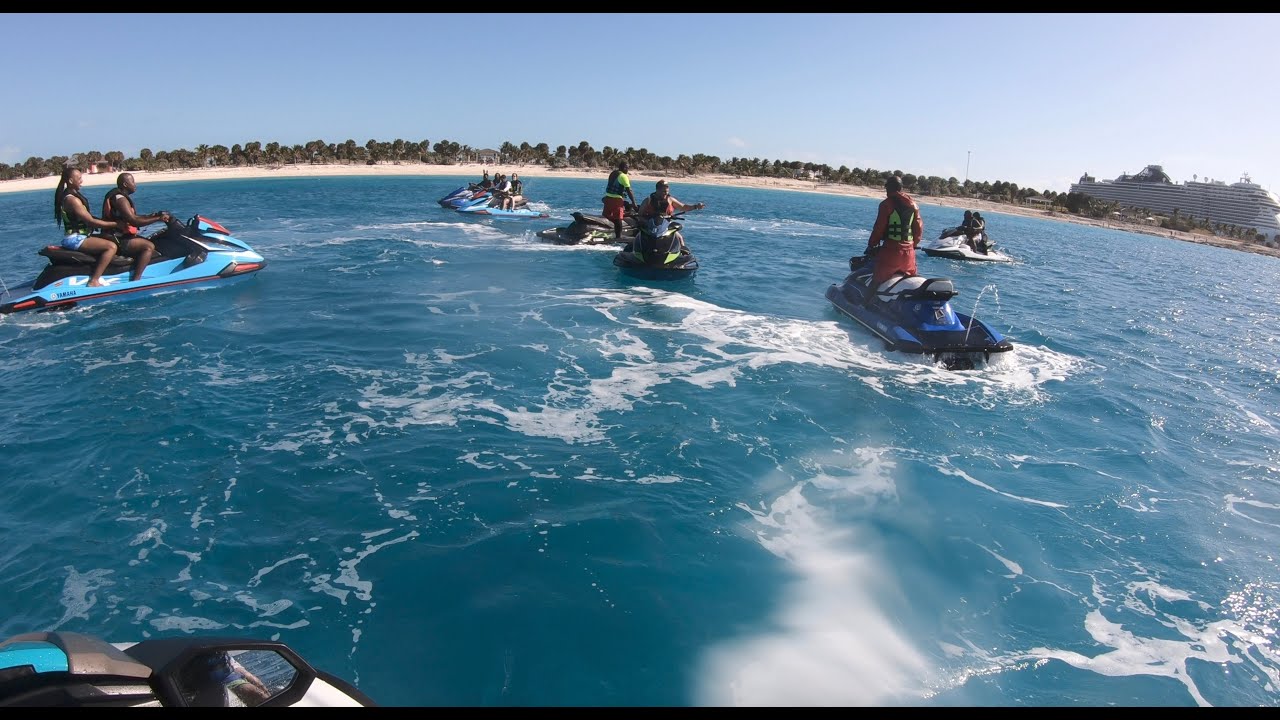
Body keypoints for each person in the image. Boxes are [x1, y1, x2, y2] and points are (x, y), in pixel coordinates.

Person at [52, 165, 130, 287]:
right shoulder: (72, 200)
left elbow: (90, 218)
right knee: (111, 247)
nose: (81, 181)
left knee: (108, 238)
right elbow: (90, 221)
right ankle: (94, 280)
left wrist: (109, 225)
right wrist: (116, 224)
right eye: (79, 178)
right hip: (75, 238)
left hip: (78, 236)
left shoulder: (70, 197)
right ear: (71, 181)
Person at [101, 173, 169, 275]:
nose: (135, 184)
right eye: (132, 181)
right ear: (125, 184)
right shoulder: (121, 199)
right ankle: (137, 279)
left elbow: (131, 217)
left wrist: (151, 216)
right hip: (118, 239)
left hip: (117, 236)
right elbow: (134, 221)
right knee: (148, 246)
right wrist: (158, 219)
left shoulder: (118, 197)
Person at [864, 175, 923, 289]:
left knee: (876, 281)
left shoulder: (886, 204)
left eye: (887, 188)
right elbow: (919, 228)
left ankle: (865, 303)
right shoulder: (914, 205)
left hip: (891, 253)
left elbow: (879, 228)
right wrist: (913, 245)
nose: (886, 191)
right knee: (912, 279)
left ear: (890, 188)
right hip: (909, 256)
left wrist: (871, 245)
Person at [636, 180, 705, 258]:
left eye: (667, 191)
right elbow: (640, 215)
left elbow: (683, 207)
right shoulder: (648, 200)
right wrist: (644, 221)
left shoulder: (670, 200)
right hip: (651, 225)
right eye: (663, 191)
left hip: (665, 226)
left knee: (679, 237)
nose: (665, 193)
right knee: (639, 235)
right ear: (657, 190)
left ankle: (684, 254)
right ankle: (635, 250)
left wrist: (695, 206)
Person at [183, 650, 272, 707]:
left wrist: (247, 674)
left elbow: (230, 661)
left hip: (227, 673)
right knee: (253, 693)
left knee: (260, 690)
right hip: (204, 682)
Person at [602, 161, 639, 241]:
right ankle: (619, 236)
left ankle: (607, 230)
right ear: (624, 168)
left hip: (608, 198)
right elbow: (629, 190)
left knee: (608, 215)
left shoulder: (613, 174)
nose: (628, 170)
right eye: (627, 168)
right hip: (616, 200)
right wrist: (634, 203)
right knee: (618, 218)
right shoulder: (623, 176)